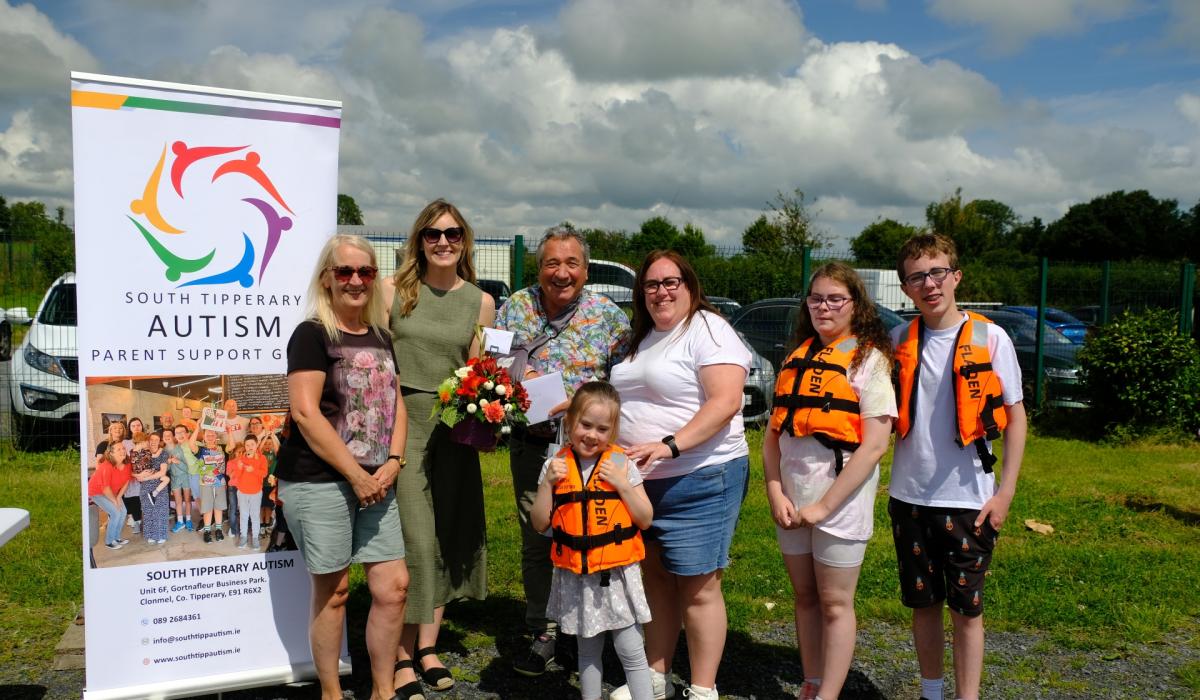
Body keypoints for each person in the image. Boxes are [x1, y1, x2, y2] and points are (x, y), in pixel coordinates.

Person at [889, 234, 1027, 700]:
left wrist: (1005, 492)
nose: (929, 284)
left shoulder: (992, 337)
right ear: (905, 287)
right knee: (923, 604)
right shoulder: (897, 341)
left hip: (969, 500)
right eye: (916, 276)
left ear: (956, 276)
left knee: (967, 611)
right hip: (909, 498)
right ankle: (931, 692)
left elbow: (1016, 416)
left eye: (937, 272)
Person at [608, 250, 750, 700]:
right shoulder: (643, 336)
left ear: (690, 286)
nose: (662, 291)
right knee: (655, 580)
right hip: (643, 482)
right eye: (652, 284)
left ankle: (704, 688)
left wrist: (669, 446)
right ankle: (654, 676)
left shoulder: (709, 329)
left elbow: (725, 401)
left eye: (672, 282)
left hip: (701, 476)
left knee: (699, 587)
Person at [276, 233, 410, 700]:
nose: (355, 280)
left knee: (394, 588)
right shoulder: (311, 335)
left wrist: (393, 461)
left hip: (378, 481)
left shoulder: (382, 336)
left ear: (375, 279)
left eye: (365, 272)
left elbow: (397, 403)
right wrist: (355, 475)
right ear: (327, 279)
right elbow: (306, 413)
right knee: (334, 593)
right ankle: (331, 693)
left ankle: (383, 689)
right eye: (345, 271)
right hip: (321, 482)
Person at [495, 225, 631, 676]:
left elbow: (625, 383)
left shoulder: (609, 317)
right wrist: (514, 379)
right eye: (552, 262)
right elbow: (490, 366)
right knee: (538, 538)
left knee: (586, 535)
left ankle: (584, 629)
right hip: (533, 447)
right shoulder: (514, 307)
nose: (561, 272)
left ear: (586, 270)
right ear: (539, 268)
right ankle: (543, 629)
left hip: (588, 453)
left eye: (572, 263)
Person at [762, 262, 896, 700]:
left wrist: (823, 507)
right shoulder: (796, 356)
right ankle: (812, 679)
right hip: (793, 496)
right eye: (816, 298)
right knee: (804, 596)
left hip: (840, 499)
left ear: (855, 306)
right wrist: (774, 489)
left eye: (835, 299)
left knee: (835, 603)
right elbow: (772, 436)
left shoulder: (869, 361)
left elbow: (875, 445)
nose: (824, 307)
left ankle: (829, 694)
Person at [382, 199, 494, 695]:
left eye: (452, 233)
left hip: (455, 428)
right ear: (419, 241)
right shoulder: (392, 292)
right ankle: (402, 654)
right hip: (404, 423)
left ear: (464, 240)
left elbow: (481, 372)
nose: (443, 241)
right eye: (432, 234)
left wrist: (492, 409)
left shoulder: (481, 302)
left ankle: (428, 647)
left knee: (447, 534)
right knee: (416, 539)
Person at [530, 382, 654, 700]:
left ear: (612, 432)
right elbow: (539, 522)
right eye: (585, 425)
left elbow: (645, 518)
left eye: (602, 429)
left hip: (616, 577)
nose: (592, 435)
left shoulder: (622, 464)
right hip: (577, 577)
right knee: (587, 652)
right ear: (570, 422)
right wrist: (547, 484)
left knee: (631, 650)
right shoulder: (554, 466)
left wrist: (622, 485)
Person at [88, 441, 132, 550]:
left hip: (113, 492)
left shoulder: (127, 463)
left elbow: (127, 482)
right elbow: (105, 488)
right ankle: (109, 541)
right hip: (97, 492)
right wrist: (114, 501)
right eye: (118, 449)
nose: (122, 451)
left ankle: (116, 538)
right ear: (111, 453)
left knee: (123, 511)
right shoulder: (106, 466)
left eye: (123, 448)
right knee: (116, 512)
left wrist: (118, 498)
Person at [189, 426, 228, 544]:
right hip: (205, 483)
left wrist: (229, 431)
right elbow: (191, 444)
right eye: (207, 435)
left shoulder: (222, 448)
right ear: (204, 438)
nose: (210, 437)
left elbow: (232, 446)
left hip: (220, 482)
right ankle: (207, 531)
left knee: (219, 507)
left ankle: (218, 530)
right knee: (207, 508)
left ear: (216, 437)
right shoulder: (200, 450)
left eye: (212, 435)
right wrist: (197, 427)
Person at [132, 430, 171, 545]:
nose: (153, 442)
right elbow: (133, 470)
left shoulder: (163, 453)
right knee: (148, 512)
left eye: (156, 440)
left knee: (160, 511)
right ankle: (151, 535)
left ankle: (161, 534)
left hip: (159, 486)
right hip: (145, 487)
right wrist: (138, 476)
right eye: (151, 439)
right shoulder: (143, 452)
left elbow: (162, 472)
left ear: (160, 441)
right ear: (148, 440)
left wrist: (146, 478)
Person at [233, 435, 269, 549]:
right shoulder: (240, 458)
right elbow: (236, 477)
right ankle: (243, 536)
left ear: (257, 444)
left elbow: (264, 474)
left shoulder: (262, 458)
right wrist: (239, 468)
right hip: (242, 492)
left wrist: (253, 470)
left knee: (255, 516)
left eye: (252, 444)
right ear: (244, 446)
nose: (250, 447)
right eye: (247, 445)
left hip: (256, 492)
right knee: (243, 515)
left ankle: (255, 537)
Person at [174, 424, 203, 530]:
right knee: (196, 497)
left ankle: (207, 518)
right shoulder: (176, 448)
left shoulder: (195, 443)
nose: (180, 435)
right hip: (188, 476)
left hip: (197, 474)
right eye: (177, 433)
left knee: (201, 497)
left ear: (188, 434)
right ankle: (204, 517)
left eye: (182, 432)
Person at [163, 426, 191, 533]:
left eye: (169, 435)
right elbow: (167, 469)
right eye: (165, 436)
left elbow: (189, 467)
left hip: (186, 477)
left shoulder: (181, 447)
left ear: (173, 437)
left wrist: (178, 462)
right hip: (174, 478)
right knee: (178, 501)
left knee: (187, 500)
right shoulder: (164, 451)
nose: (167, 437)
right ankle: (180, 521)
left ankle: (188, 520)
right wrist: (169, 463)